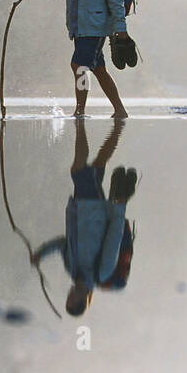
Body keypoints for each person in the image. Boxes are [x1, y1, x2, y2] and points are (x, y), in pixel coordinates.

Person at [31, 120, 135, 316]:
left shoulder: (72, 269)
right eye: (72, 300)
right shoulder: (100, 273)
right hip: (94, 210)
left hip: (79, 209)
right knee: (78, 169)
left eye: (68, 299)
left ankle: (118, 126)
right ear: (82, 300)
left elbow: (63, 243)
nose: (69, 295)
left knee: (98, 165)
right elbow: (113, 238)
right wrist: (120, 206)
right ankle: (81, 121)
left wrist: (40, 254)